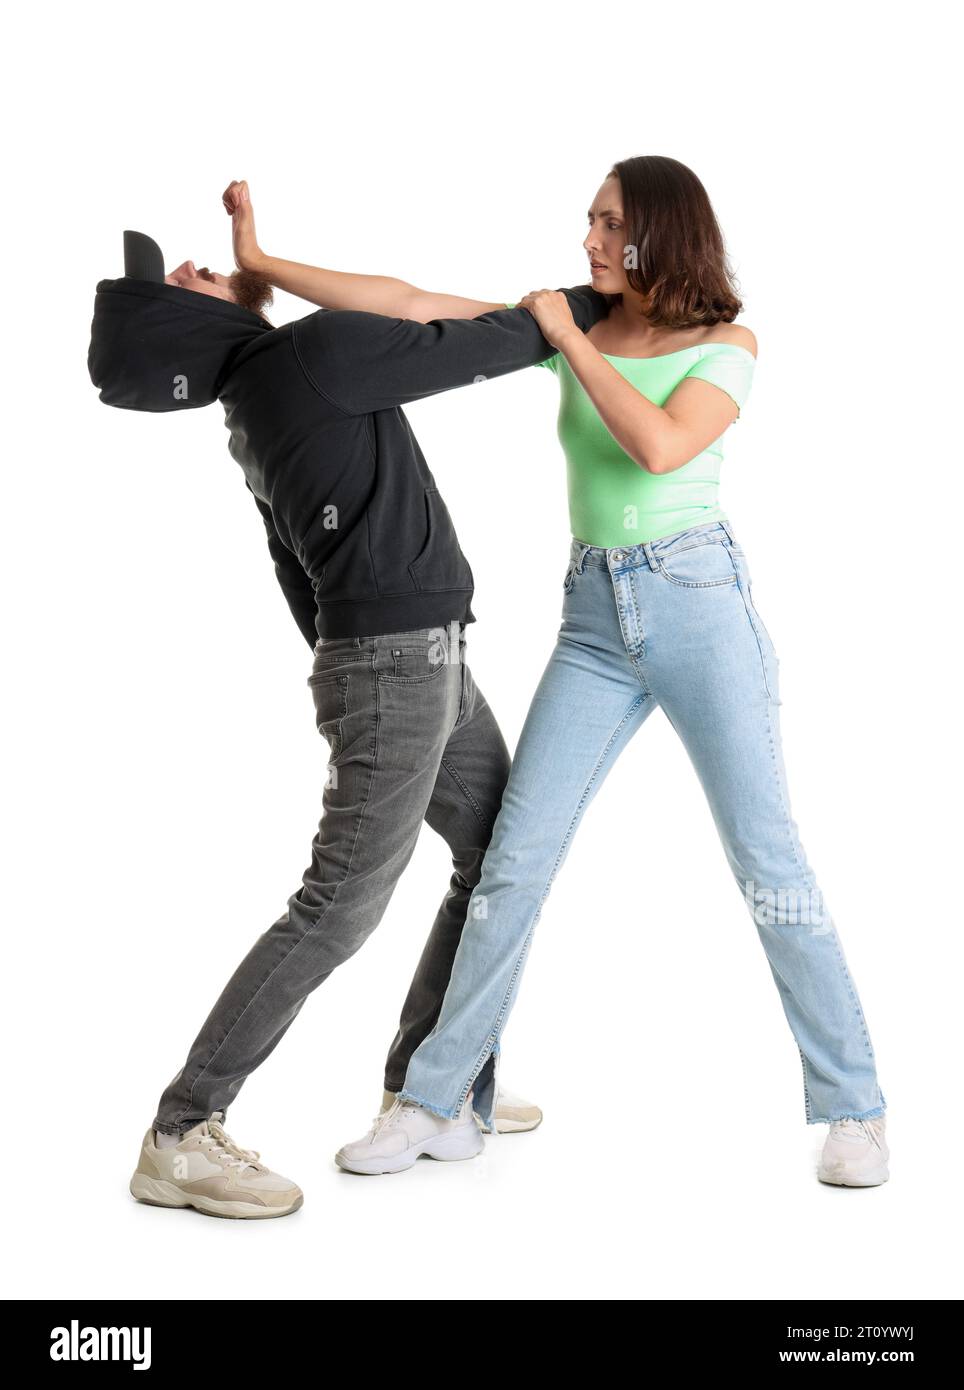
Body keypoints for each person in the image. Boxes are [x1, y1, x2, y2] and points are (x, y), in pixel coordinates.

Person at [334, 155, 890, 1188]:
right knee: (511, 861)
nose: (587, 240)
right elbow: (410, 304)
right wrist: (265, 263)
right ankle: (438, 1099)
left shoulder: (726, 345)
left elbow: (660, 447)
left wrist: (563, 339)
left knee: (768, 862)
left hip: (697, 606)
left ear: (661, 234)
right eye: (587, 221)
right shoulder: (580, 319)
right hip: (591, 617)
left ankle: (853, 1108)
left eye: (607, 223)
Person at [87, 219, 610, 1217]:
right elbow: (492, 342)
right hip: (399, 667)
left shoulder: (253, 404)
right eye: (188, 279)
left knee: (496, 853)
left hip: (414, 656)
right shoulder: (311, 355)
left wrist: (353, 669)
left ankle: (433, 1077)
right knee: (338, 903)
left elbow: (296, 572)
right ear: (183, 328)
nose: (204, 265)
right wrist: (604, 308)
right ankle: (181, 1130)